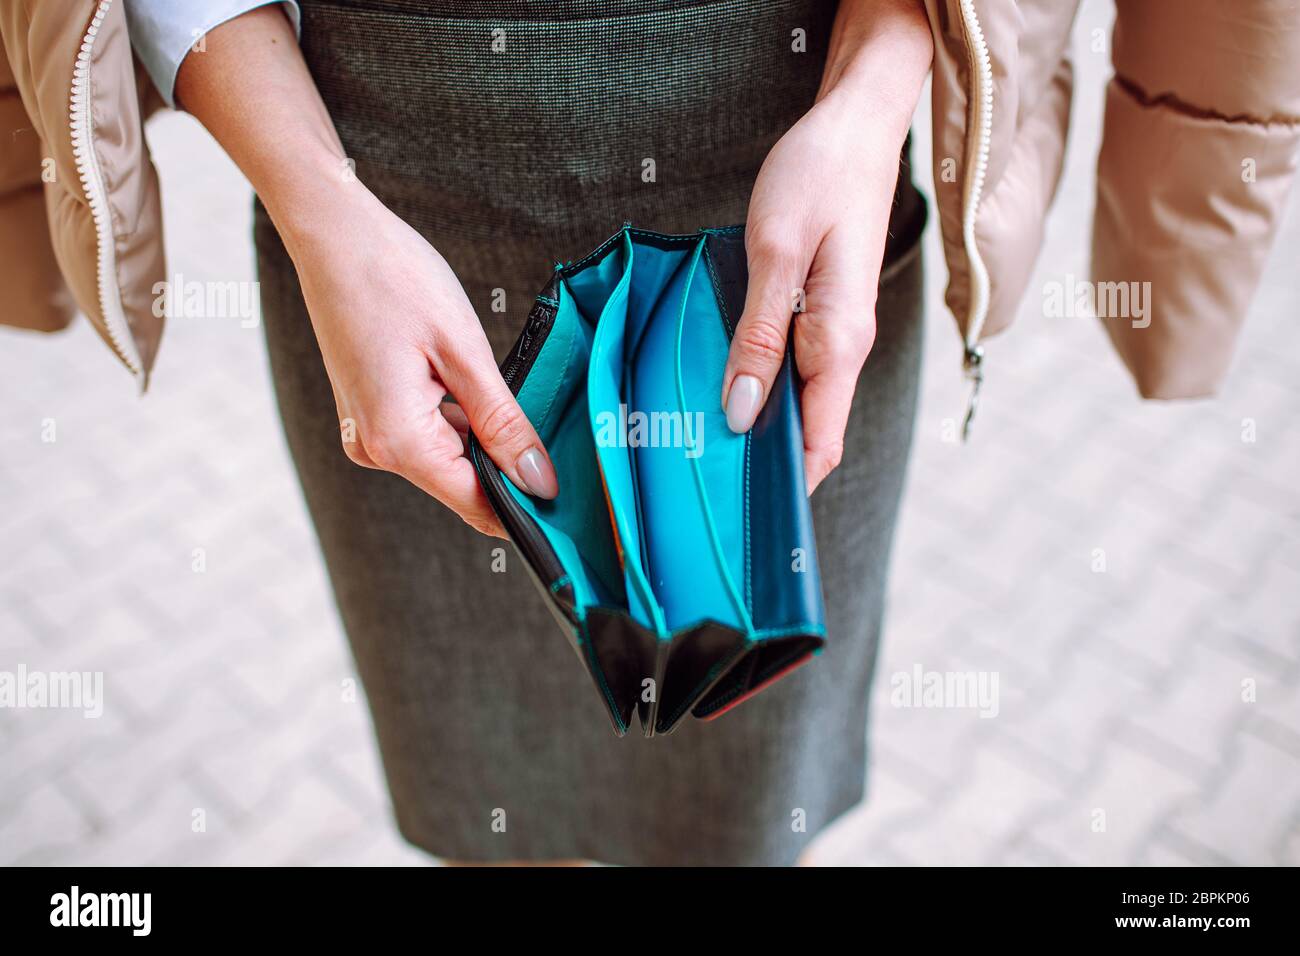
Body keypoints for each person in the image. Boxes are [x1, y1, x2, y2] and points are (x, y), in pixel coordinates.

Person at [3, 0, 1294, 865]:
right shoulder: (345, 217)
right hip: (378, 216)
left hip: (803, 169)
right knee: (491, 804)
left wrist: (883, 81)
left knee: (741, 797)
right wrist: (307, 193)